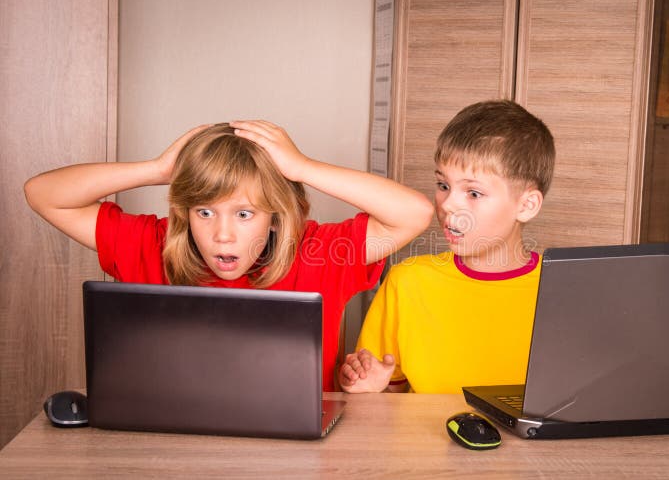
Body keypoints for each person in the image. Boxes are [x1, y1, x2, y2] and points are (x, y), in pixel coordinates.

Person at [24, 121, 434, 391]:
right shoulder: (155, 244)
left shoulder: (318, 254)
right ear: (185, 212)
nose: (222, 235)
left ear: (275, 217)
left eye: (244, 214)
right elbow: (43, 194)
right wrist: (158, 168)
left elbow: (414, 214)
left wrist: (302, 167)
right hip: (169, 446)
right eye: (205, 212)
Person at [338, 100, 555, 393]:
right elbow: (389, 399)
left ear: (526, 205)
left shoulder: (562, 291)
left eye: (474, 193)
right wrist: (370, 387)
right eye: (443, 186)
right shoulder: (407, 282)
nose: (448, 204)